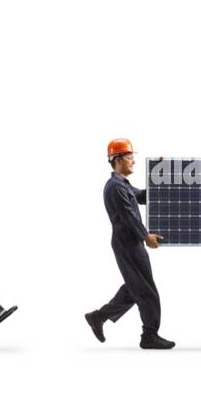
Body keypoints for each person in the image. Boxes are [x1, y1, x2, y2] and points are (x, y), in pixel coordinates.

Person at [84, 139, 175, 349]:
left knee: (135, 287)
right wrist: (145, 236)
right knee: (146, 290)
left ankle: (98, 316)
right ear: (117, 160)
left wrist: (158, 173)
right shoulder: (115, 187)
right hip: (128, 242)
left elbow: (142, 196)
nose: (133, 161)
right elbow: (128, 216)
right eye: (129, 157)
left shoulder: (122, 184)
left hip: (129, 241)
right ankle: (149, 335)